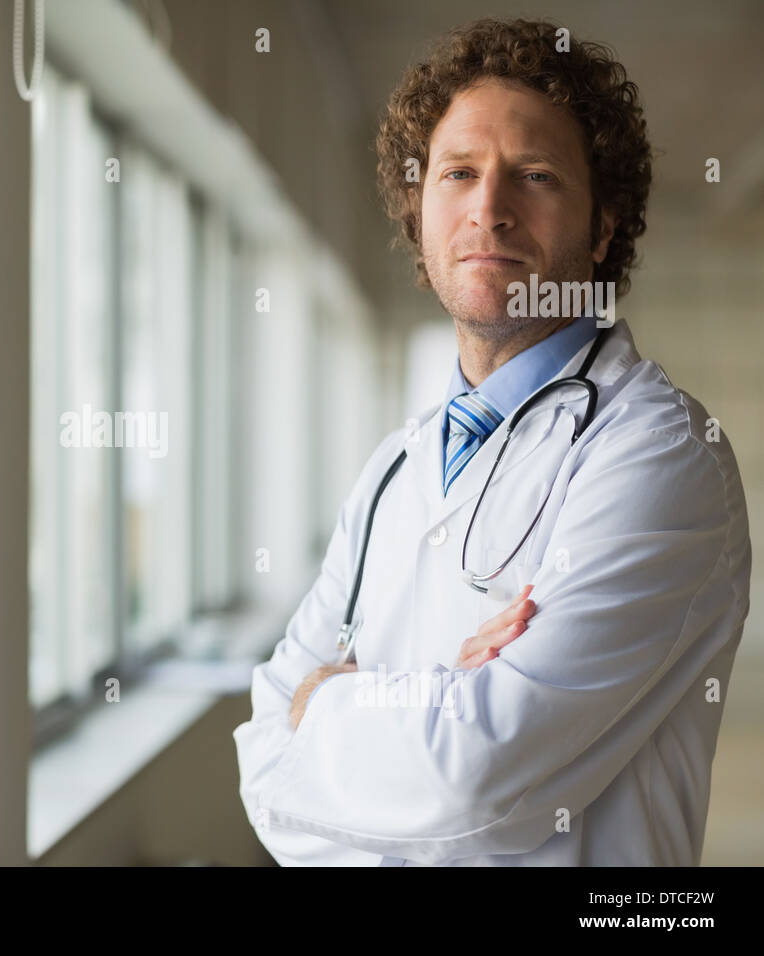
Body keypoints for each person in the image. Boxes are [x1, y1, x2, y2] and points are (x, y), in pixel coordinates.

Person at [233, 18, 751, 866]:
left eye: (535, 176)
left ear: (603, 227)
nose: (489, 209)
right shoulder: (392, 473)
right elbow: (261, 753)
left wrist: (330, 704)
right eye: (459, 173)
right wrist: (433, 703)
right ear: (418, 205)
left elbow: (476, 778)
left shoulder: (659, 452)